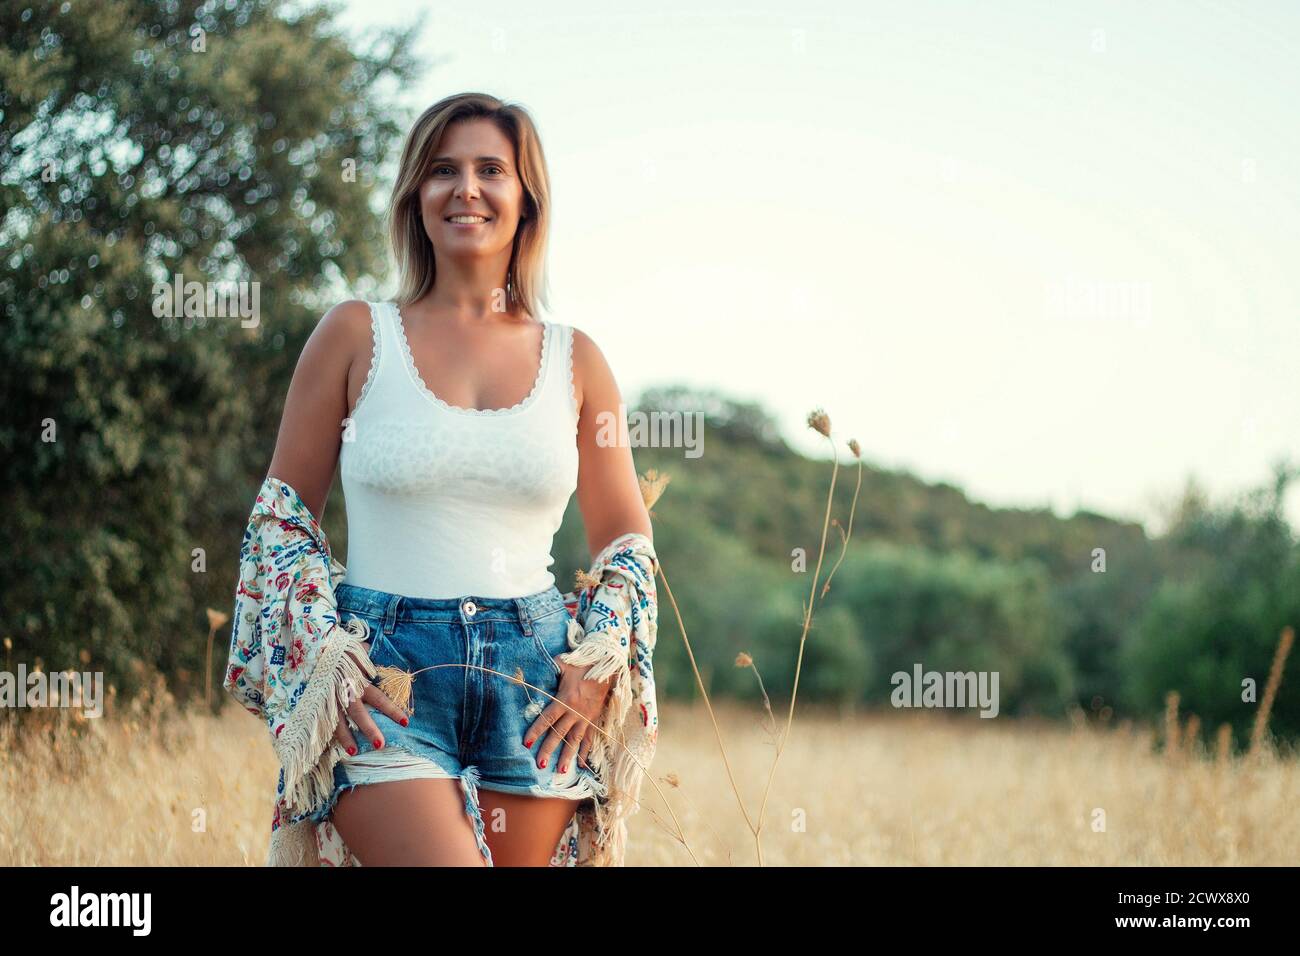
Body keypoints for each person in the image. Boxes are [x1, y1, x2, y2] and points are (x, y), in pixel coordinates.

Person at [262, 92, 654, 865]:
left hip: (535, 682)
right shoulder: (352, 333)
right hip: (387, 675)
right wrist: (326, 655)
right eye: (443, 169)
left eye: (489, 170)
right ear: (416, 194)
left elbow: (626, 538)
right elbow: (281, 520)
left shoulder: (577, 359)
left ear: (525, 198)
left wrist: (599, 660)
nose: (465, 188)